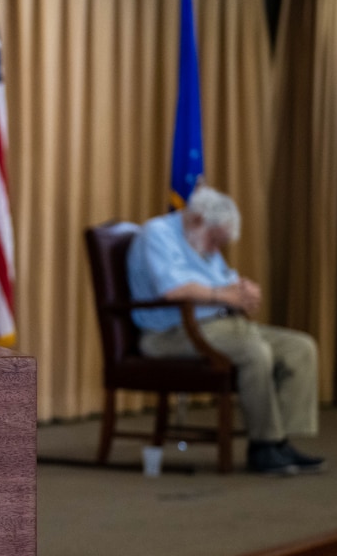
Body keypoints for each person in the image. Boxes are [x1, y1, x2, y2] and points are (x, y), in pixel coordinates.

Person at [126, 185, 324, 475]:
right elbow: (173, 290)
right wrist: (223, 296)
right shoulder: (158, 234)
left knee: (300, 347)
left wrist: (244, 291)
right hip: (170, 334)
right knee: (254, 351)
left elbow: (225, 280)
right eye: (215, 241)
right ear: (196, 220)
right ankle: (263, 447)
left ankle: (281, 441)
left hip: (221, 326)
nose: (216, 249)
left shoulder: (201, 240)